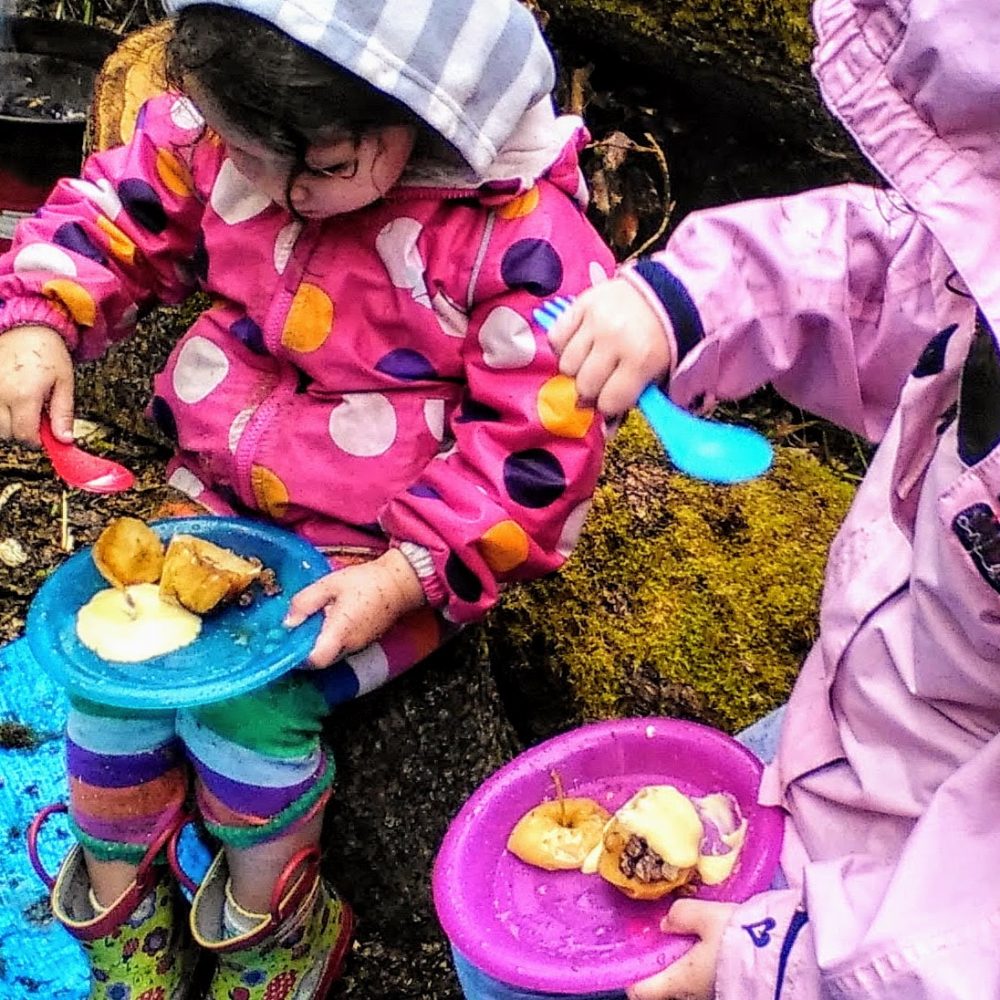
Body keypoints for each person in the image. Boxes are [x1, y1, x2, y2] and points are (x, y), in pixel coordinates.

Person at [0, 1, 614, 996]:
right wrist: (40, 317)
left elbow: (541, 448)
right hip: (220, 505)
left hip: (383, 554)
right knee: (108, 695)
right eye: (238, 152)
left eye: (317, 168)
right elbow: (119, 208)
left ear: (432, 116)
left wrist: (406, 576)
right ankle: (121, 904)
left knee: (248, 716)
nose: (265, 190)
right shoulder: (242, 134)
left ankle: (274, 921)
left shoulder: (519, 243)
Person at [537, 0, 1000, 997]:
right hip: (842, 735)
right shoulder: (979, 280)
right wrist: (689, 300)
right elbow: (882, 269)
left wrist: (791, 963)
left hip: (896, 906)